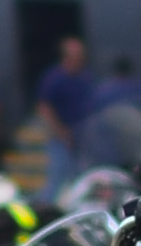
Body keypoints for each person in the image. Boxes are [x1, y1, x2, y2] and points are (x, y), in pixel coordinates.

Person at [35, 34, 97, 203]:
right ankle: (46, 209)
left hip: (83, 136)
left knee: (82, 177)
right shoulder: (54, 78)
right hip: (61, 138)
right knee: (58, 176)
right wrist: (61, 132)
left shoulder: (85, 77)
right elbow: (45, 108)